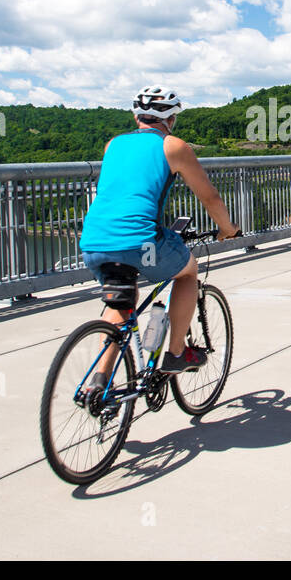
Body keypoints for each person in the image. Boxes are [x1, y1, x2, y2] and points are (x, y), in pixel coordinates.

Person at [79, 86, 241, 389]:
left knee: (122, 301)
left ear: (137, 116)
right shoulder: (173, 146)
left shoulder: (112, 145)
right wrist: (227, 229)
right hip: (142, 242)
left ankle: (100, 381)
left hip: (93, 242)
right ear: (171, 117)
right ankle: (177, 352)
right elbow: (210, 197)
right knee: (188, 271)